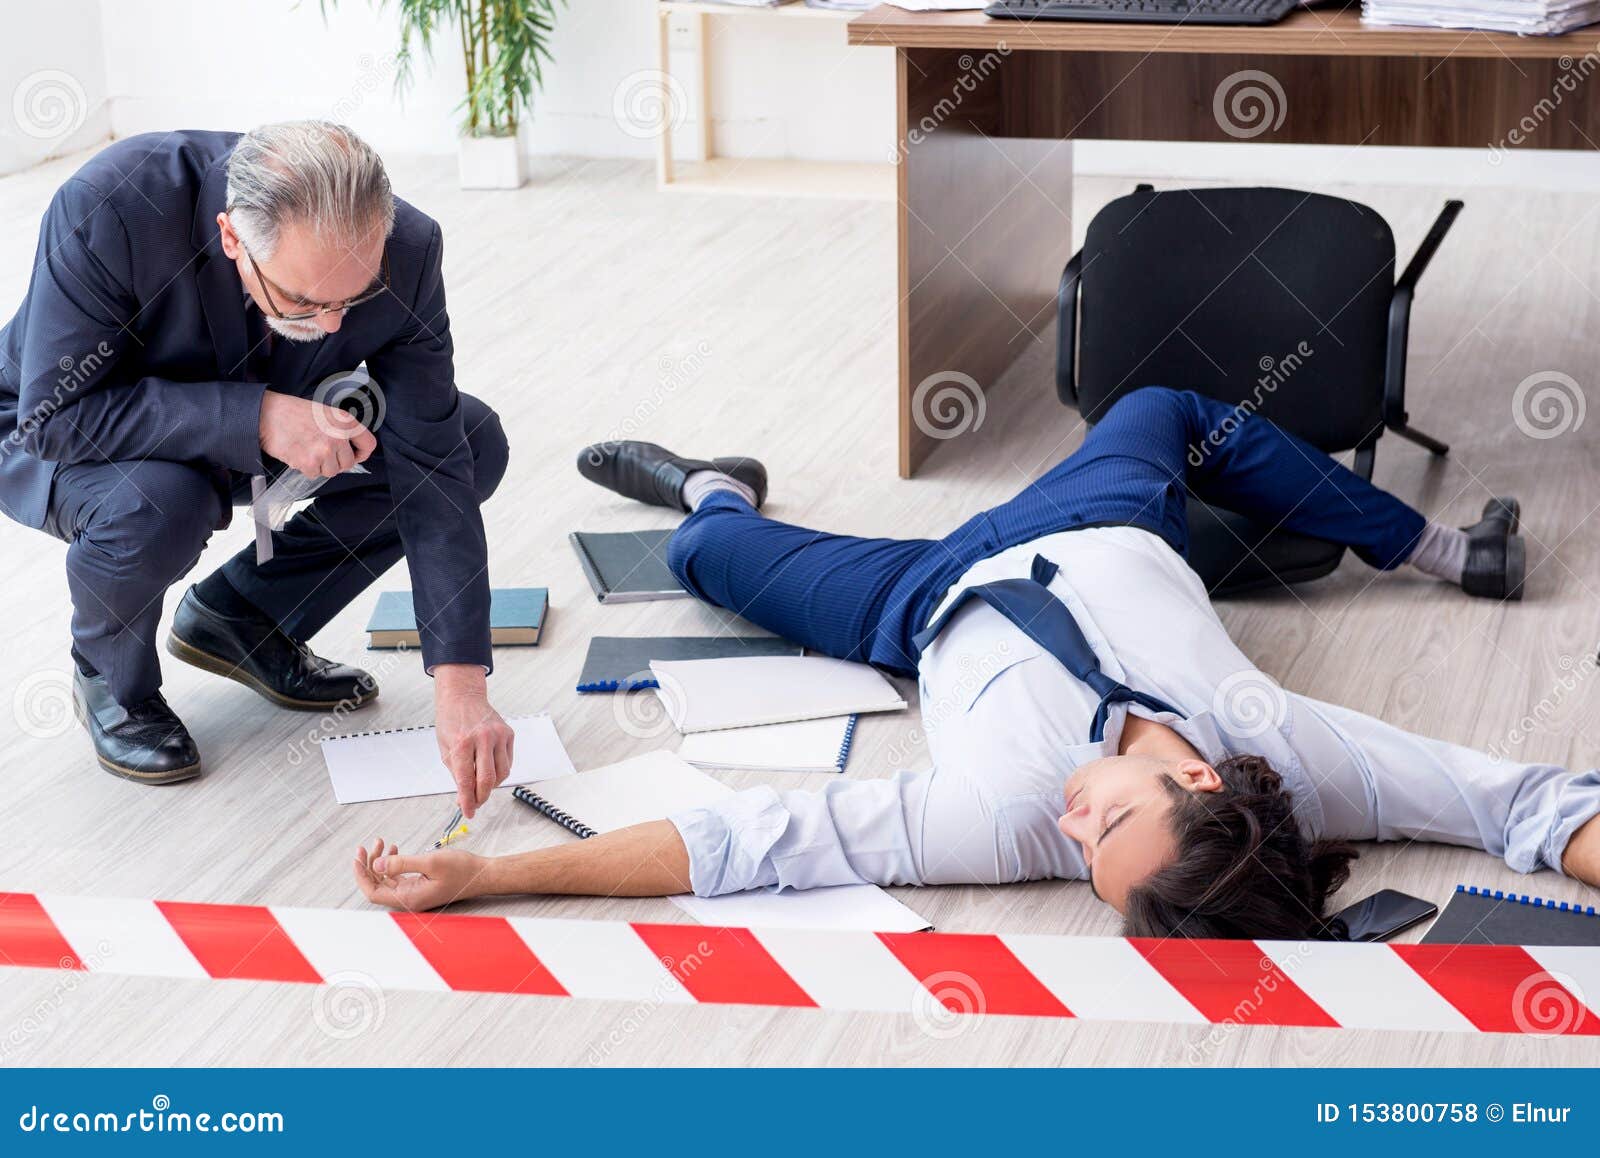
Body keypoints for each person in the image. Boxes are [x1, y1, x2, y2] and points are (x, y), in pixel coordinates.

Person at [352, 387, 1600, 938]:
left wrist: (493, 875)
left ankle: (710, 486)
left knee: (704, 555)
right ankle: (1442, 547)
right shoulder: (1296, 756)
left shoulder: (1006, 826)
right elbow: (1528, 806)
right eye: (1104, 819)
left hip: (924, 601)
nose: (1068, 821)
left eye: (1084, 851)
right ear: (1207, 783)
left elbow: (740, 848)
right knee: (1171, 404)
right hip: (1098, 513)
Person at [0, 122, 514, 816]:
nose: (334, 327)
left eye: (352, 300)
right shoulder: (113, 203)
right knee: (160, 503)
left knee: (473, 438)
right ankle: (110, 682)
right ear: (233, 236)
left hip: (260, 413)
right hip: (74, 431)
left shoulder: (409, 250)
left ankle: (245, 615)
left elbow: (434, 457)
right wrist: (260, 418)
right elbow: (55, 417)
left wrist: (460, 685)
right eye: (304, 302)